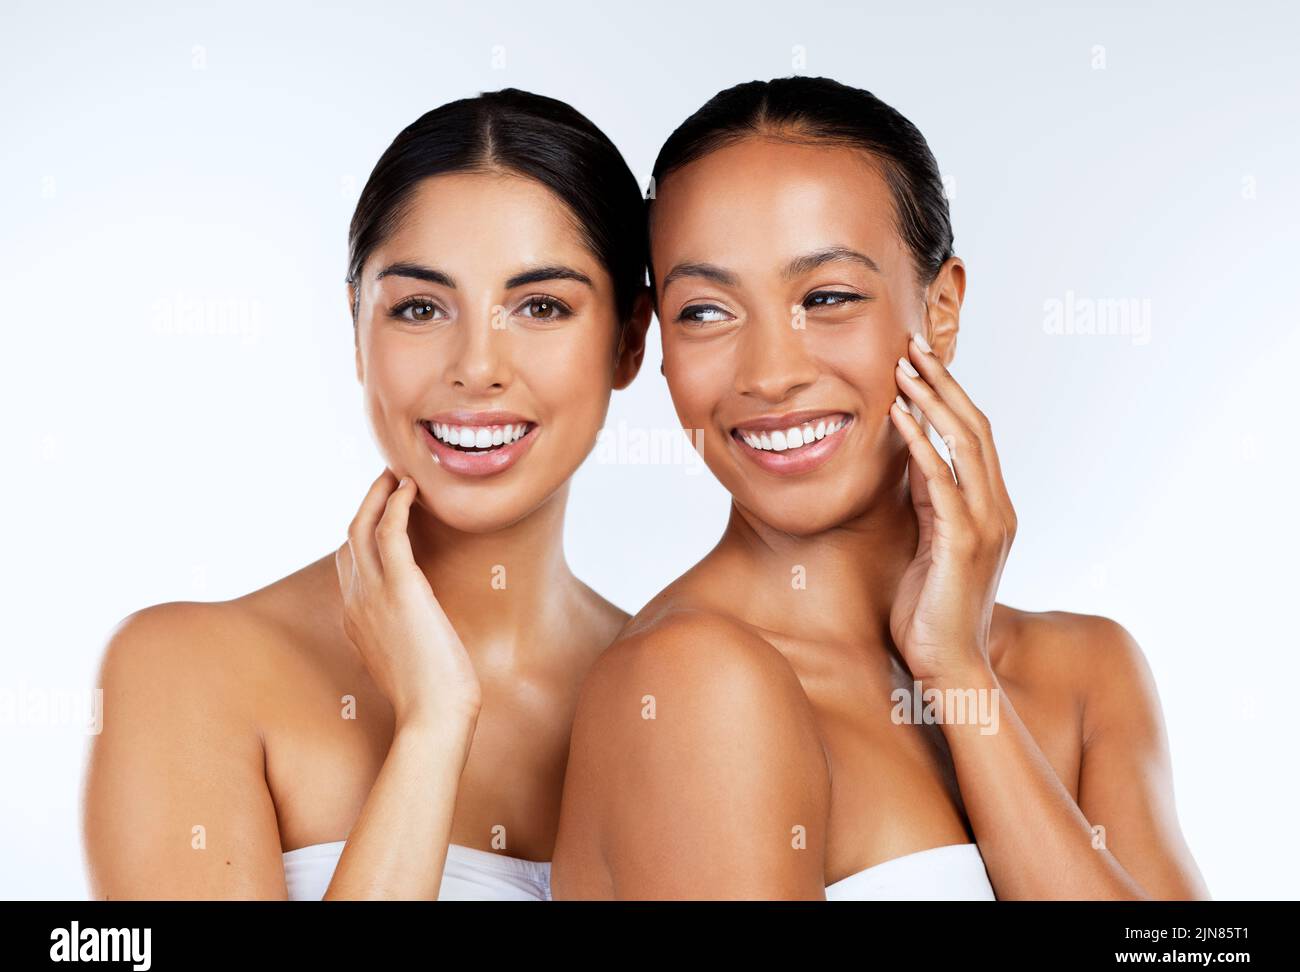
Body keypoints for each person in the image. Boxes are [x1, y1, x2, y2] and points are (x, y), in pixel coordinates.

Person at [551, 76, 1209, 900]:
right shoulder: (686, 685)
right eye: (706, 311)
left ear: (940, 309)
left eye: (826, 297)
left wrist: (960, 675)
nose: (770, 375)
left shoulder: (1088, 671)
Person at [82, 88, 651, 899]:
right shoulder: (182, 668)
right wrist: (431, 724)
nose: (478, 365)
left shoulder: (684, 691)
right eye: (420, 306)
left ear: (629, 342)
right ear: (357, 328)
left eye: (540, 306)